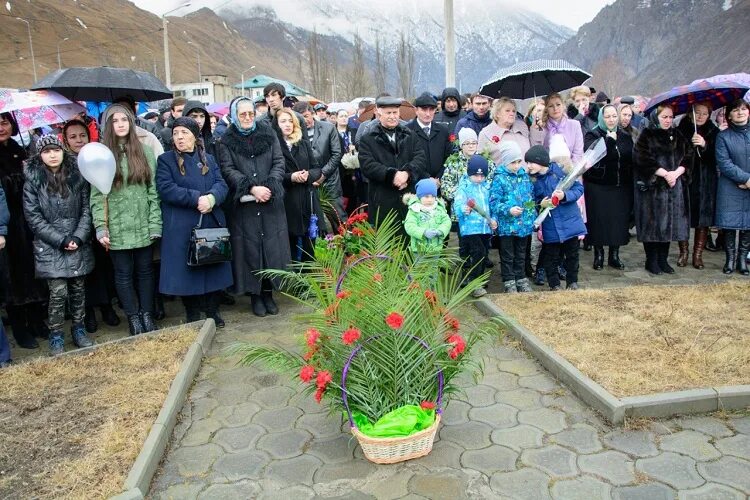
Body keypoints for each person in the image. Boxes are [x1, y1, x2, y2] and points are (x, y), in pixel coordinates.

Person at [215, 97, 290, 317]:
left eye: (250, 114)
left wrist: (269, 186)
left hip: (270, 202)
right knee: (250, 251)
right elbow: (228, 169)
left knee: (271, 250)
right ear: (235, 116)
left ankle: (269, 293)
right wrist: (251, 188)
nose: (248, 118)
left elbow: (279, 162)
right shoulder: (226, 140)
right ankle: (255, 296)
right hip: (245, 206)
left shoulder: (269, 134)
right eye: (243, 115)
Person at [156, 117, 233, 326]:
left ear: (194, 136)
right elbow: (166, 188)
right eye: (176, 133)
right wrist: (195, 197)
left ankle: (212, 311)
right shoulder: (165, 160)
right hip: (183, 224)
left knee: (212, 267)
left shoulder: (208, 158)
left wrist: (212, 198)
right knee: (187, 272)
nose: (180, 137)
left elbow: (221, 184)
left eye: (184, 133)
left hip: (209, 219)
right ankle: (192, 313)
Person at [92, 105, 162, 335]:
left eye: (125, 120)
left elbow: (153, 192)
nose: (120, 124)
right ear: (108, 125)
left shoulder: (144, 152)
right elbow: (97, 196)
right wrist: (101, 227)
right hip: (117, 225)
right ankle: (132, 316)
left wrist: (154, 223)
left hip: (142, 222)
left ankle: (147, 313)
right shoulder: (101, 155)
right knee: (122, 274)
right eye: (115, 120)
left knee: (145, 272)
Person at [23, 135, 95, 355]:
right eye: (46, 151)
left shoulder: (77, 177)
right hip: (50, 247)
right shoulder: (33, 182)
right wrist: (60, 239)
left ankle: (79, 329)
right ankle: (56, 334)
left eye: (56, 150)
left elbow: (86, 209)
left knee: (78, 289)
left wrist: (78, 237)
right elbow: (33, 218)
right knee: (58, 292)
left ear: (63, 151)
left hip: (77, 241)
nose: (52, 155)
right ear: (39, 156)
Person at [62, 119, 121, 333]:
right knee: (82, 274)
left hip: (98, 220)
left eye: (82, 135)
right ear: (66, 141)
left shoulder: (98, 155)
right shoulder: (63, 164)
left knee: (103, 268)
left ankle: (107, 307)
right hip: (75, 225)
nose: (79, 140)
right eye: (73, 137)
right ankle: (88, 313)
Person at [0, 112, 47, 349]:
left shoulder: (21, 150)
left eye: (5, 121)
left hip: (27, 221)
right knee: (12, 278)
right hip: (6, 227)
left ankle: (38, 321)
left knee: (33, 271)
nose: (1, 127)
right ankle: (20, 328)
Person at [634, 105, 692, 275]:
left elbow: (688, 156)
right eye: (664, 117)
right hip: (653, 189)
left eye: (670, 117)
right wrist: (665, 174)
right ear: (656, 118)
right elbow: (641, 158)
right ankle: (651, 260)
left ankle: (663, 260)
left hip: (674, 188)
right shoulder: (647, 135)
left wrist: (677, 173)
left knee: (669, 225)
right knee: (653, 225)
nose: (668, 120)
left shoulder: (678, 135)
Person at [358, 96, 427, 231]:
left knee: (409, 239)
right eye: (388, 113)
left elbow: (420, 158)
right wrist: (392, 175)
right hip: (382, 199)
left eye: (395, 112)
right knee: (387, 245)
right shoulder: (368, 138)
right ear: (379, 114)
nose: (392, 116)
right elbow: (367, 165)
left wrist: (407, 173)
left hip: (408, 197)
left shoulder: (410, 135)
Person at [527, 145, 586, 291]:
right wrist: (541, 204)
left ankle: (572, 282)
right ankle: (554, 284)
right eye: (527, 163)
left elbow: (578, 189)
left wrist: (564, 196)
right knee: (551, 256)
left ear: (541, 162)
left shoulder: (561, 172)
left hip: (569, 221)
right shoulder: (532, 181)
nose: (528, 166)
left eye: (531, 162)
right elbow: (531, 201)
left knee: (572, 255)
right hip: (551, 224)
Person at [583, 104, 634, 270]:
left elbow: (630, 156)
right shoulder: (593, 134)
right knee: (599, 221)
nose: (611, 120)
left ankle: (614, 255)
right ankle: (599, 255)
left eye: (614, 116)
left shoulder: (625, 135)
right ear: (601, 118)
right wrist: (609, 141)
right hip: (599, 186)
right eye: (607, 116)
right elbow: (592, 157)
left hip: (620, 186)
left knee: (617, 222)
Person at [276, 108, 324, 262]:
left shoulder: (302, 143)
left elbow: (317, 168)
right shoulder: (273, 146)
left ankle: (310, 281)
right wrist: (291, 177)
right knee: (289, 247)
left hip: (306, 200)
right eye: (283, 121)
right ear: (276, 125)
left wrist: (308, 175)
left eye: (290, 121)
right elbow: (271, 175)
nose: (287, 125)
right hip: (286, 201)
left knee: (309, 246)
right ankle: (293, 283)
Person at [677, 103, 719, 269]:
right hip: (686, 179)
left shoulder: (714, 132)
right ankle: (684, 253)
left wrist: (704, 145)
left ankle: (697, 254)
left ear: (709, 116)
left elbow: (717, 156)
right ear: (690, 114)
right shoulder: (681, 129)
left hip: (705, 181)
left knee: (702, 219)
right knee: (683, 217)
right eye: (697, 113)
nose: (700, 117)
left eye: (704, 114)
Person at [489, 142, 535, 293]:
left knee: (521, 254)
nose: (516, 166)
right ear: (505, 161)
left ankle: (520, 277)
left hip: (523, 225)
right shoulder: (499, 178)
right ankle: (509, 280)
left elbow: (530, 198)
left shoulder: (524, 177)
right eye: (512, 162)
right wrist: (508, 210)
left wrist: (531, 215)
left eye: (518, 162)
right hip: (507, 225)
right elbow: (494, 202)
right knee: (508, 254)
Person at [714, 99, 750, 275]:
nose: (740, 112)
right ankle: (730, 260)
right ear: (729, 115)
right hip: (730, 186)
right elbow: (724, 162)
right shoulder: (723, 136)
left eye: (744, 109)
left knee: (747, 225)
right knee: (729, 224)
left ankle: (742, 261)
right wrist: (744, 179)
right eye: (736, 110)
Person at [454, 155, 497, 297]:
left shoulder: (486, 187)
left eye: (482, 175)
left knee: (484, 253)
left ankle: (478, 279)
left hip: (485, 227)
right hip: (470, 228)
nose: (479, 178)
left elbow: (492, 206)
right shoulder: (464, 188)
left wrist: (494, 219)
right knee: (478, 252)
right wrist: (463, 209)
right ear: (469, 173)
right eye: (476, 175)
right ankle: (474, 283)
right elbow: (458, 205)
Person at [295, 102, 345, 228]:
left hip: (330, 180)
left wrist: (322, 175)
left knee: (338, 218)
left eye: (306, 116)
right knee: (312, 221)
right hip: (307, 181)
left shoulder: (328, 128)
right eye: (300, 117)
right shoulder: (295, 134)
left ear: (312, 114)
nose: (304, 120)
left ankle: (346, 244)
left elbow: (337, 154)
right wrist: (310, 176)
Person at [406, 92, 453, 187]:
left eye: (431, 109)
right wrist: (426, 178)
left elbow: (448, 156)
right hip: (416, 184)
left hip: (439, 184)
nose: (428, 114)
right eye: (424, 109)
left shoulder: (443, 130)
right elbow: (406, 159)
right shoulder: (407, 131)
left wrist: (439, 177)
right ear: (416, 110)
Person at [403, 178, 451, 257]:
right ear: (419, 196)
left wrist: (441, 231)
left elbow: (447, 221)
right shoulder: (414, 209)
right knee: (421, 269)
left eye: (433, 196)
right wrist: (423, 232)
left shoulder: (439, 208)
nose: (430, 199)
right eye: (426, 196)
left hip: (436, 248)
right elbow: (409, 226)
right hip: (419, 249)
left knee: (433, 268)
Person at [478, 97, 531, 166]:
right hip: (501, 175)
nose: (512, 113)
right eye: (507, 111)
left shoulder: (522, 127)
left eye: (514, 111)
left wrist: (535, 128)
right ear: (497, 114)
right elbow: (481, 160)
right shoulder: (486, 133)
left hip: (526, 175)